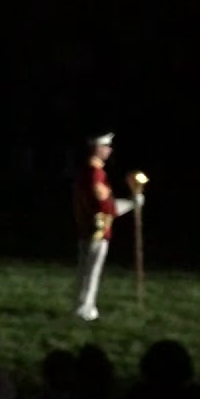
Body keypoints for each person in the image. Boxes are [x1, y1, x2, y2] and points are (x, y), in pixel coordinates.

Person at [73, 132, 143, 321]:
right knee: (91, 271)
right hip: (96, 229)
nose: (109, 150)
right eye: (105, 146)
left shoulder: (91, 171)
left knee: (87, 269)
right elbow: (105, 206)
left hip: (89, 227)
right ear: (97, 149)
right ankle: (84, 308)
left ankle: (84, 305)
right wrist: (132, 203)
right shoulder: (95, 174)